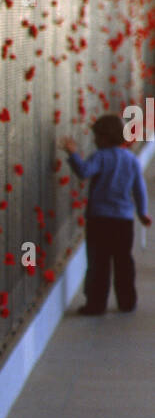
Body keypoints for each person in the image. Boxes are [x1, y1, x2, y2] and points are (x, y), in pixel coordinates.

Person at [61, 116, 151, 315]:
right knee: (124, 262)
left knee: (98, 263)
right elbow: (139, 189)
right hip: (124, 221)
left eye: (96, 137)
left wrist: (73, 154)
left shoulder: (100, 157)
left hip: (99, 220)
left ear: (104, 138)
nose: (94, 141)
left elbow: (84, 172)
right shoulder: (131, 159)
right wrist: (142, 213)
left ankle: (96, 304)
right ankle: (127, 302)